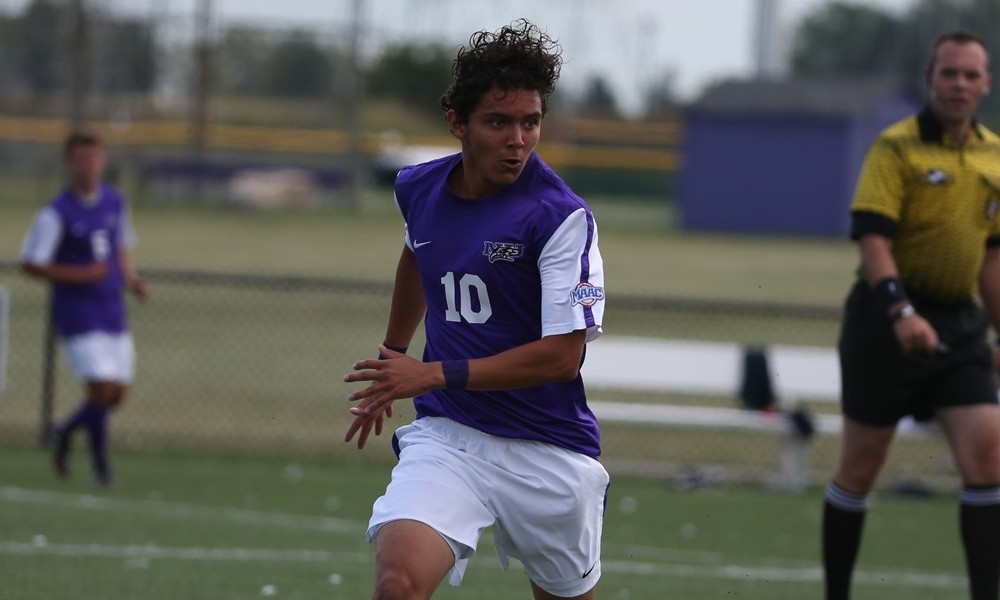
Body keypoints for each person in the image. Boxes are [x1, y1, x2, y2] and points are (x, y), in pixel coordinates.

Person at [342, 19, 608, 600]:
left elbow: (564, 357)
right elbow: (417, 255)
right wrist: (393, 357)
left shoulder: (562, 218)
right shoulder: (418, 188)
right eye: (498, 122)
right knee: (397, 585)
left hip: (549, 451)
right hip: (450, 434)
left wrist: (430, 372)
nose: (518, 139)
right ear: (457, 124)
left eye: (530, 122)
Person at [823, 30, 1000, 600]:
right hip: (885, 321)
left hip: (960, 327)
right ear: (931, 79)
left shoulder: (994, 154)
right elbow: (873, 241)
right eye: (949, 72)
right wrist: (901, 312)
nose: (959, 84)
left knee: (988, 457)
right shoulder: (895, 147)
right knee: (861, 467)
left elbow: (992, 257)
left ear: (986, 83)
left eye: (971, 75)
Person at [19, 130, 149, 487]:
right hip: (77, 312)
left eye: (93, 158)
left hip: (111, 308)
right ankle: (102, 469)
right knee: (102, 389)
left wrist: (132, 281)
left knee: (118, 393)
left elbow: (120, 248)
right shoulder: (55, 212)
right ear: (68, 163)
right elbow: (30, 263)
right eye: (80, 159)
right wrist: (79, 273)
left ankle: (62, 431)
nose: (88, 166)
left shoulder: (115, 202)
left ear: (102, 161)